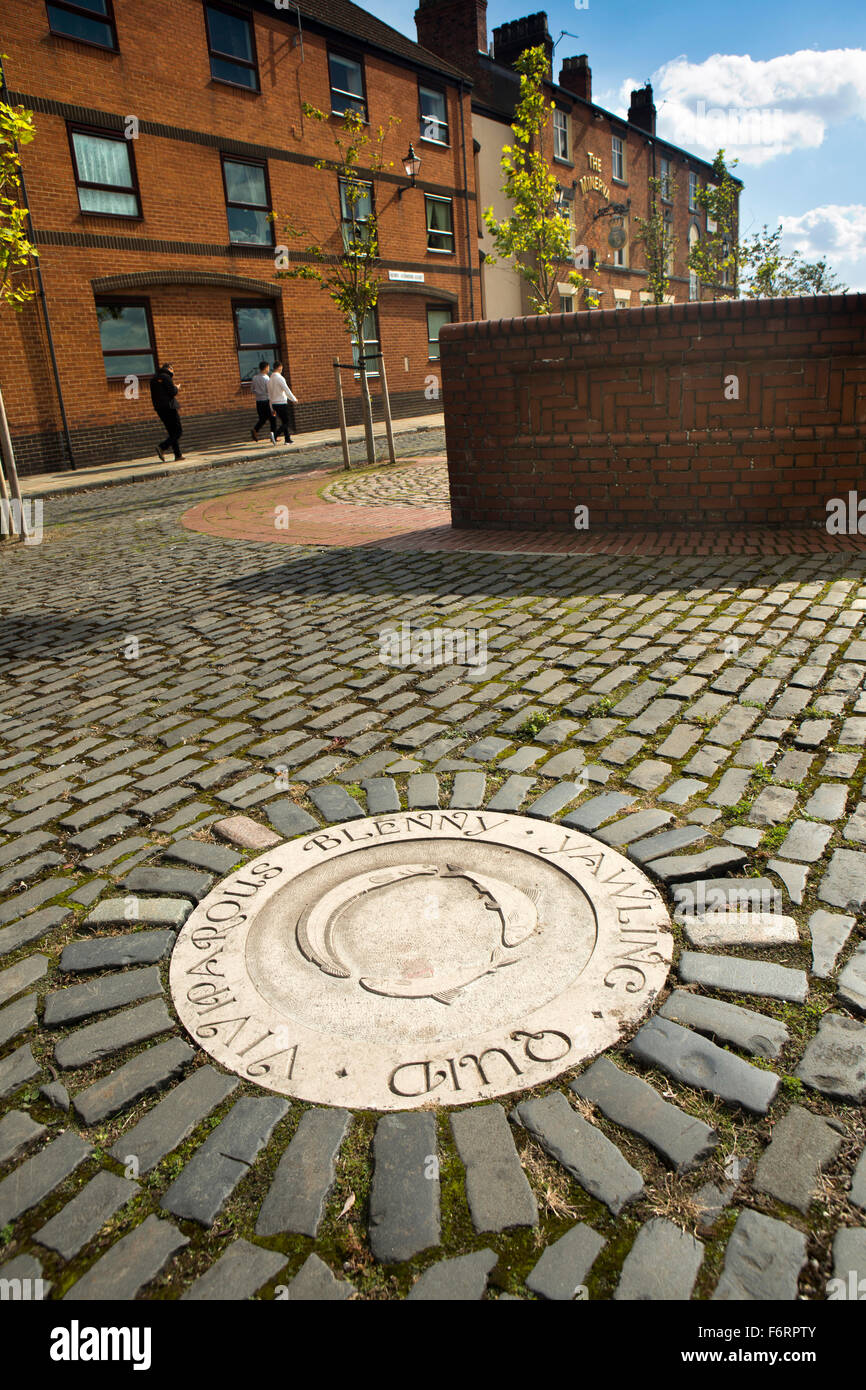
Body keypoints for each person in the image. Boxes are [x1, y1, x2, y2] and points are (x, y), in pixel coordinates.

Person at [150, 363, 184, 461]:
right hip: (170, 407)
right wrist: (176, 387)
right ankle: (162, 447)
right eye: (173, 370)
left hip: (160, 409)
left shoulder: (153, 379)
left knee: (171, 432)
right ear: (169, 368)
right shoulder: (166, 377)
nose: (173, 372)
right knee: (178, 431)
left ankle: (178, 455)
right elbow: (172, 392)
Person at [267, 359, 298, 444]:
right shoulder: (280, 378)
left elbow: (269, 395)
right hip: (281, 403)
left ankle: (287, 439)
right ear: (280, 367)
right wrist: (294, 399)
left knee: (284, 421)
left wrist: (271, 408)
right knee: (287, 422)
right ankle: (275, 435)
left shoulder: (269, 380)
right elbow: (286, 390)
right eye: (281, 368)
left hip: (274, 404)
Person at [249, 360, 274, 441]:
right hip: (266, 400)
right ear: (266, 368)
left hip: (258, 401)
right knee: (272, 418)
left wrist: (258, 393)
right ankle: (274, 436)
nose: (269, 369)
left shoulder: (254, 378)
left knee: (262, 418)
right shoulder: (267, 378)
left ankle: (255, 430)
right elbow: (269, 390)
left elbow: (252, 389)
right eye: (268, 367)